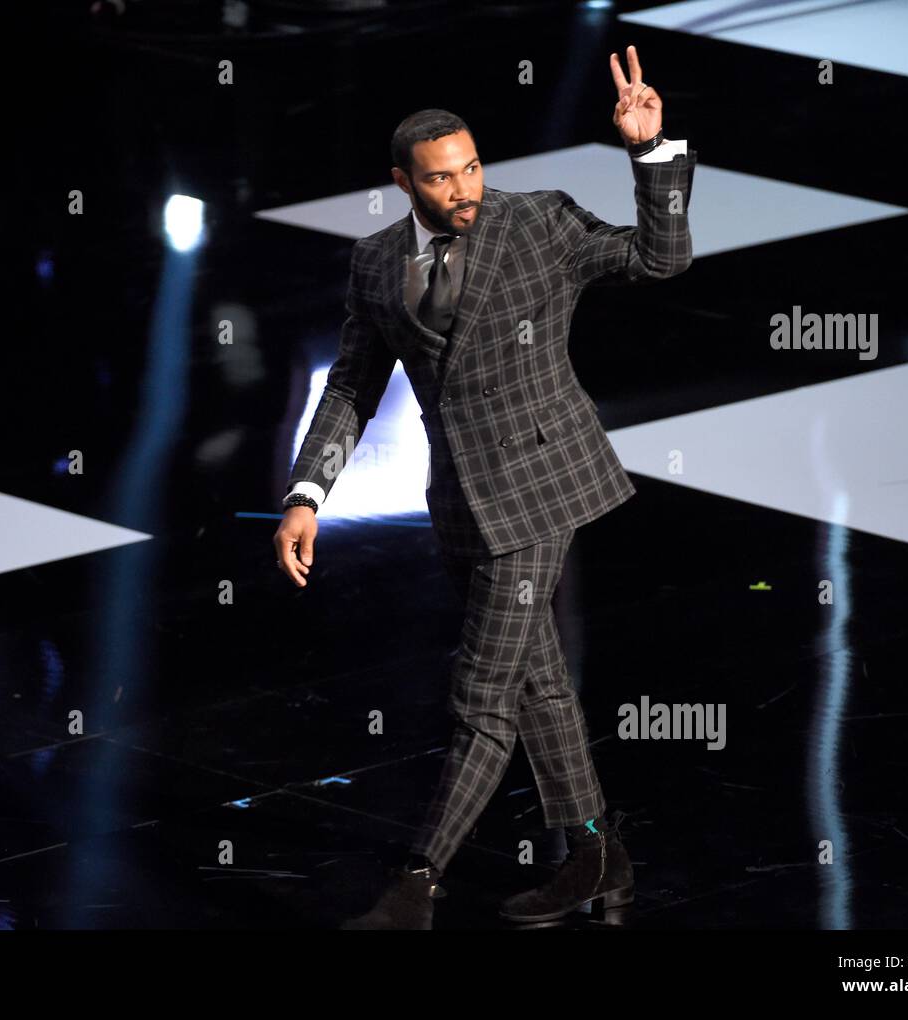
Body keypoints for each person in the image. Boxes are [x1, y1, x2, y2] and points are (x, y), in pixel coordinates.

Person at [273, 46, 697, 928]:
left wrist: (649, 156)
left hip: (542, 486)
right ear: (403, 182)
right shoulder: (378, 262)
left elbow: (659, 261)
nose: (462, 189)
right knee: (538, 685)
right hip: (460, 498)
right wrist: (307, 495)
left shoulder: (536, 223)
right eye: (441, 179)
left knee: (482, 695)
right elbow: (352, 384)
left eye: (471, 169)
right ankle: (595, 853)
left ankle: (413, 884)